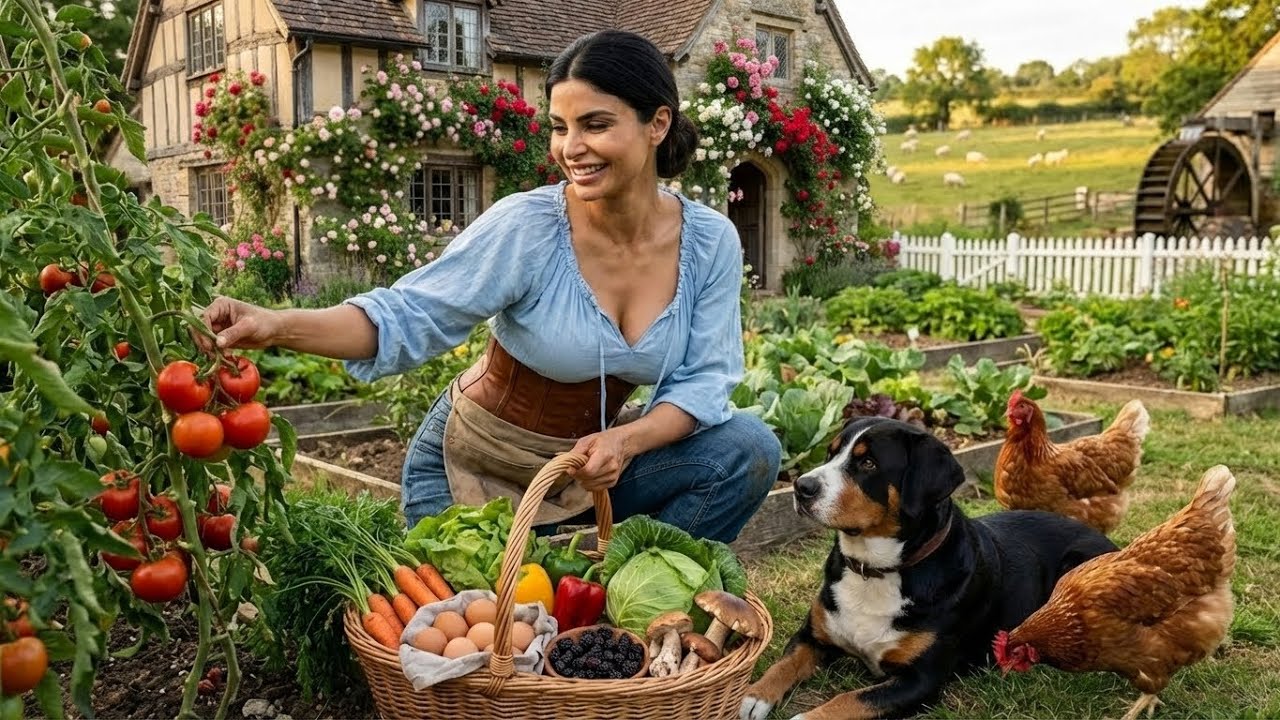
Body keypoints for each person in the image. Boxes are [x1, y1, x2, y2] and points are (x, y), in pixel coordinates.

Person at [198, 30, 781, 543]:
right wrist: (275, 325)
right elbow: (403, 317)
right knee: (487, 631)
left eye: (596, 124)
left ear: (657, 124)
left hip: (585, 472)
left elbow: (705, 380)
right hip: (474, 466)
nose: (571, 148)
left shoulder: (709, 241)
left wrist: (625, 442)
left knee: (748, 448)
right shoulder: (529, 227)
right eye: (560, 127)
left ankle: (632, 594)